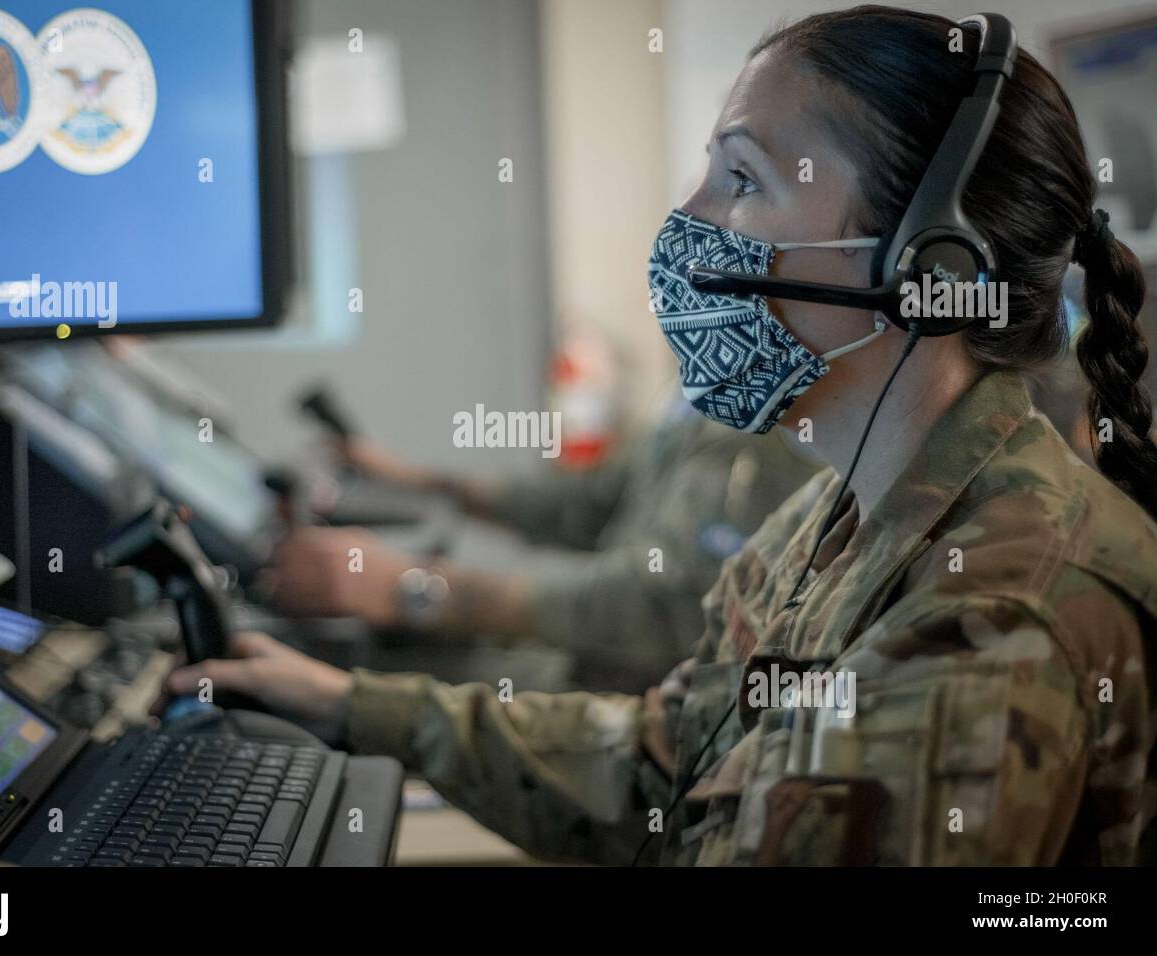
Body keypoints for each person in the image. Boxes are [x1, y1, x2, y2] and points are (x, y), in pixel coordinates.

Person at [165, 6, 1157, 866]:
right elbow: (660, 755)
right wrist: (341, 703)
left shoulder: (995, 619)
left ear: (923, 261)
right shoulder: (831, 511)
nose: (689, 217)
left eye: (741, 176)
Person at [266, 397, 817, 691]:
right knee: (375, 655)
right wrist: (429, 483)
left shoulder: (767, 436)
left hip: (643, 700)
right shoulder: (713, 402)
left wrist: (418, 590)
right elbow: (590, 500)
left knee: (356, 681)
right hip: (598, 665)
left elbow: (656, 605)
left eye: (743, 185)